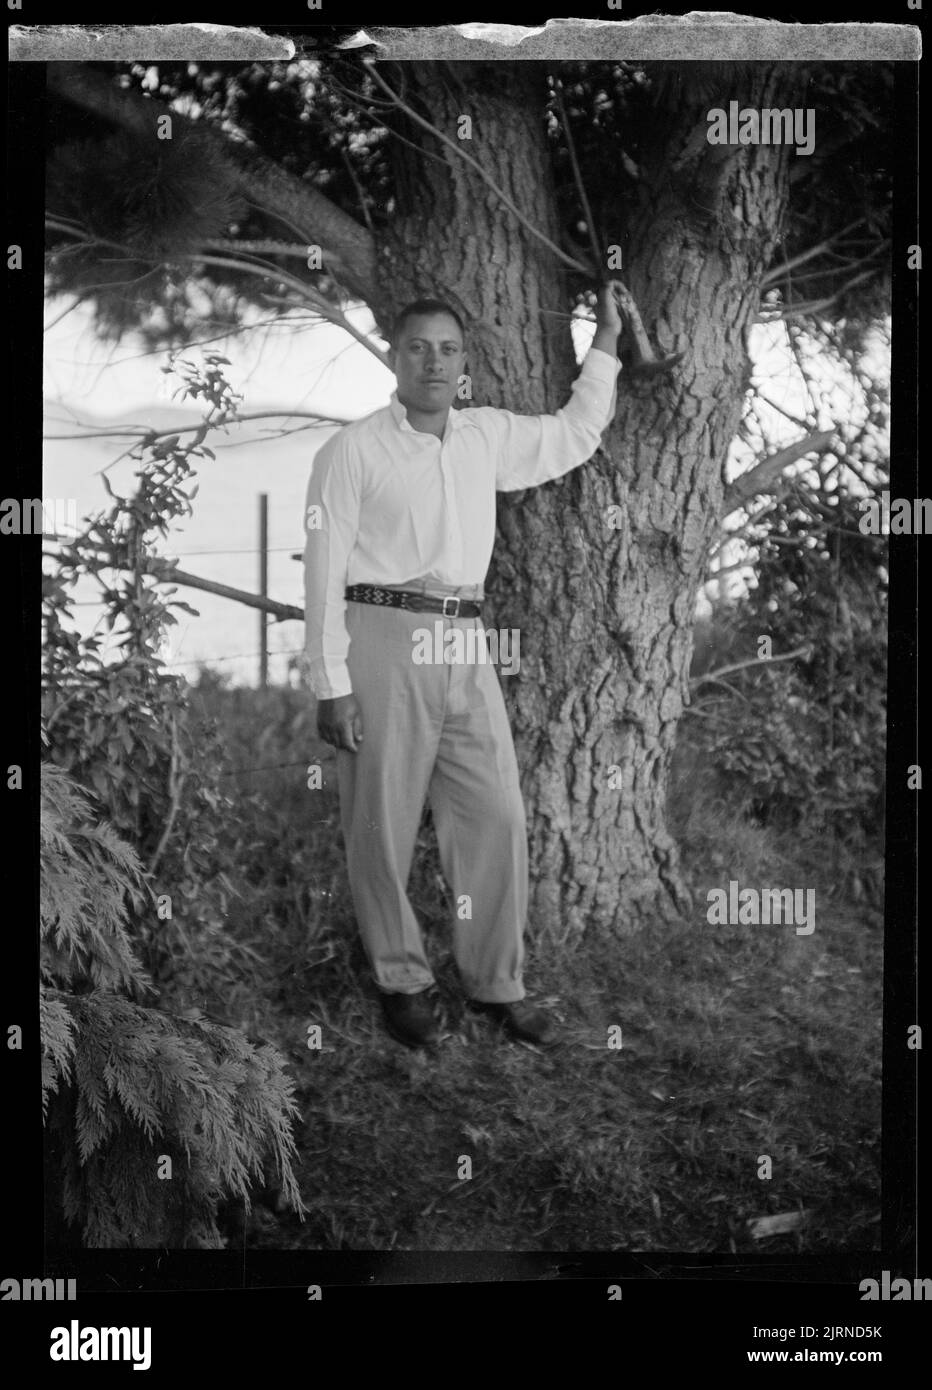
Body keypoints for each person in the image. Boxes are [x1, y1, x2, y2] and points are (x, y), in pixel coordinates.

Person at [303, 288, 622, 1048]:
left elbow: (577, 431)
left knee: (495, 812)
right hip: (381, 635)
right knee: (380, 819)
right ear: (394, 356)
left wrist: (605, 340)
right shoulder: (351, 451)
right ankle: (402, 979)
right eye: (419, 347)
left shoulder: (485, 436)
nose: (434, 361)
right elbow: (322, 570)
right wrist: (330, 682)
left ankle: (494, 982)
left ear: (465, 361)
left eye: (448, 349)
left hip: (464, 640)